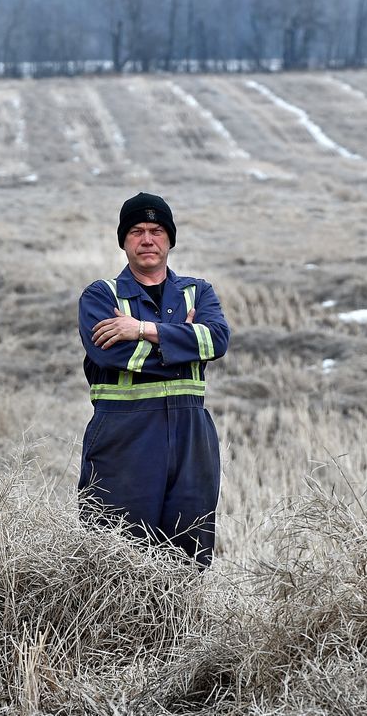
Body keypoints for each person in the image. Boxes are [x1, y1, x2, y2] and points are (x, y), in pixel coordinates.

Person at [77, 192, 230, 567]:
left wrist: (142, 329)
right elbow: (113, 353)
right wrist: (183, 340)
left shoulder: (198, 291)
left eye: (157, 230)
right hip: (125, 437)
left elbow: (218, 340)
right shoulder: (101, 295)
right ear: (124, 241)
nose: (148, 239)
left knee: (188, 559)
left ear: (170, 239)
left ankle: (178, 629)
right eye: (137, 231)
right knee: (115, 557)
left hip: (192, 438)